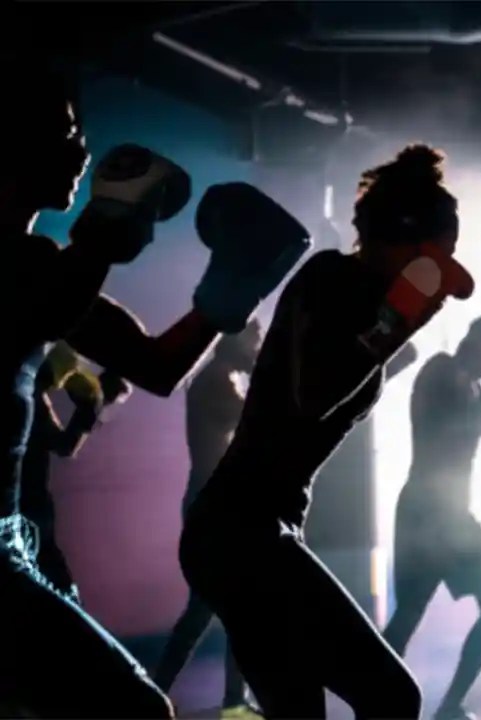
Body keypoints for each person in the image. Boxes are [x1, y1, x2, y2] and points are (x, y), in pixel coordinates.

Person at [2, 64, 304, 717]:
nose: (82, 149)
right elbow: (42, 304)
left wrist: (228, 288)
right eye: (64, 129)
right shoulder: (29, 272)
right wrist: (107, 226)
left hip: (19, 538)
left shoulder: (42, 268)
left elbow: (155, 365)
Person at [179, 143, 476, 718]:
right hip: (242, 533)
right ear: (413, 246)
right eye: (442, 255)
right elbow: (313, 395)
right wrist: (395, 324)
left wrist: (396, 329)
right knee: (392, 696)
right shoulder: (332, 277)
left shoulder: (364, 299)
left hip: (252, 531)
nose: (444, 271)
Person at [382, 315, 481, 720]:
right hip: (435, 511)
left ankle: (404, 704)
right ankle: (439, 706)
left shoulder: (470, 388)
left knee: (414, 613)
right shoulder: (443, 370)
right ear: (480, 343)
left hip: (438, 513)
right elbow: (461, 420)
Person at [153, 322, 263, 719]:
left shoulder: (222, 378)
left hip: (218, 505)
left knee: (225, 608)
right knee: (214, 609)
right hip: (212, 507)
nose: (258, 348)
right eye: (254, 340)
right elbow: (256, 421)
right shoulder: (216, 382)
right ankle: (158, 693)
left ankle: (230, 698)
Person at [20, 341, 132, 602]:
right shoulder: (31, 396)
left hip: (30, 504)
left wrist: (94, 405)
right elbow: (65, 446)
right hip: (28, 505)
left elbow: (63, 445)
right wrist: (95, 405)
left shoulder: (31, 392)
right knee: (53, 580)